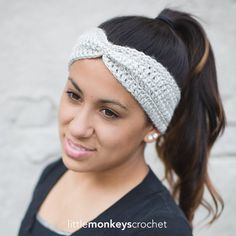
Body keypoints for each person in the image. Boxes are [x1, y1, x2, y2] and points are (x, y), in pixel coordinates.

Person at [18, 7, 226, 236]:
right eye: (74, 96)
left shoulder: (160, 228)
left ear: (154, 126)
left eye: (109, 112)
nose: (77, 128)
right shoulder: (55, 172)